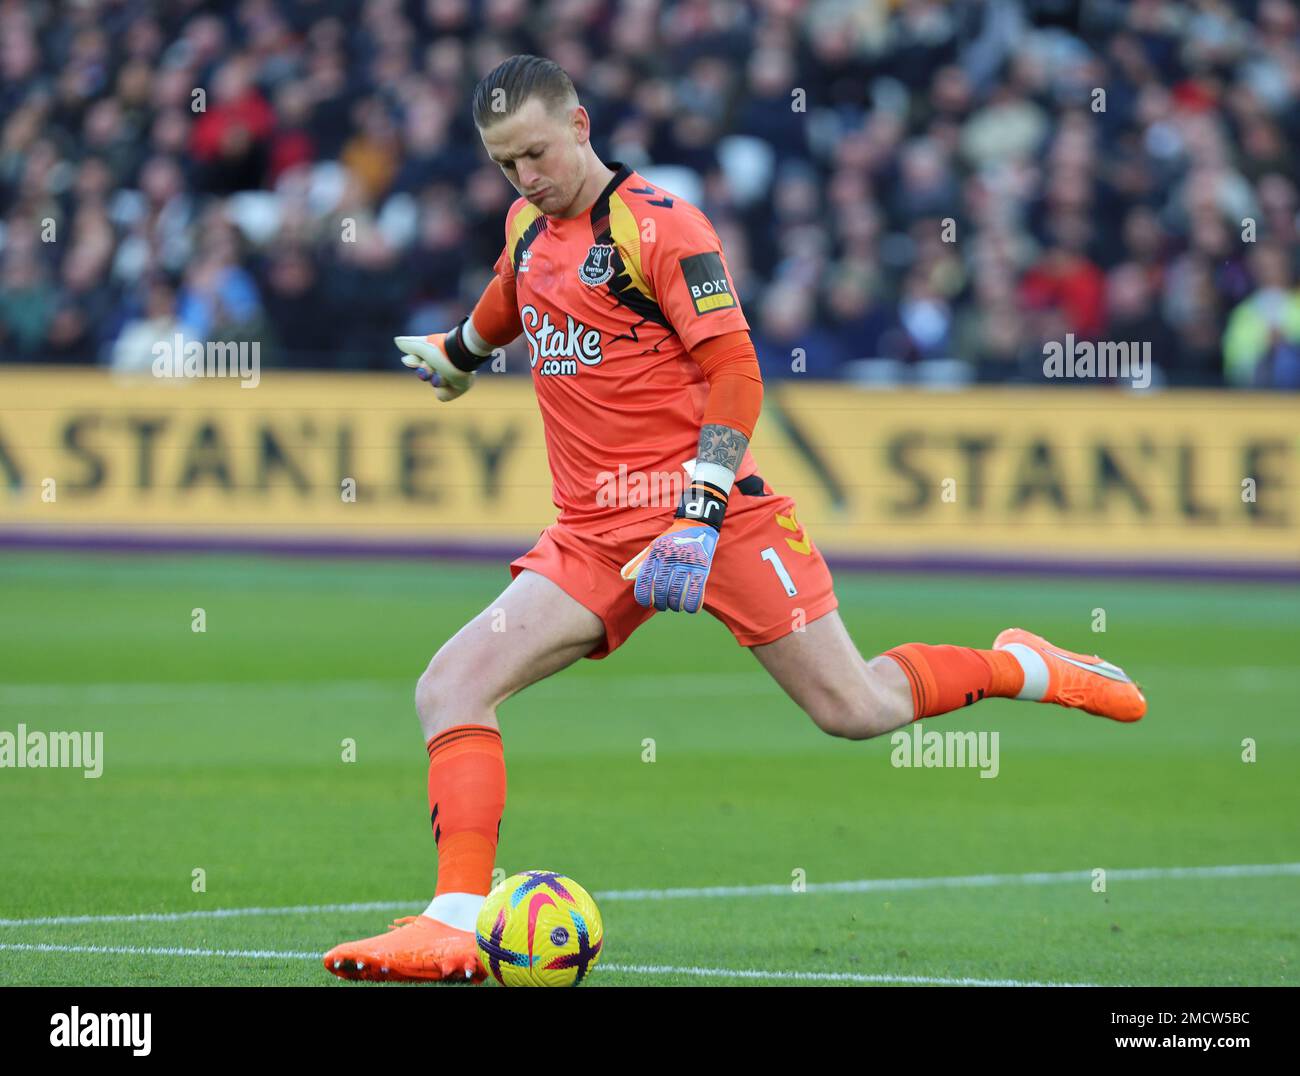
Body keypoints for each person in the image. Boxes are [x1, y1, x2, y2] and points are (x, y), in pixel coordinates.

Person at [324, 56, 1146, 983]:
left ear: (582, 125)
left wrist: (699, 514)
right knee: (450, 687)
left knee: (854, 708)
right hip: (593, 536)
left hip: (718, 521)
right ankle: (455, 921)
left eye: (537, 154)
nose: (525, 178)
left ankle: (1026, 665)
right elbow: (515, 294)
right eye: (505, 163)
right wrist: (461, 352)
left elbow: (737, 374)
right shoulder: (526, 224)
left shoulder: (664, 230)